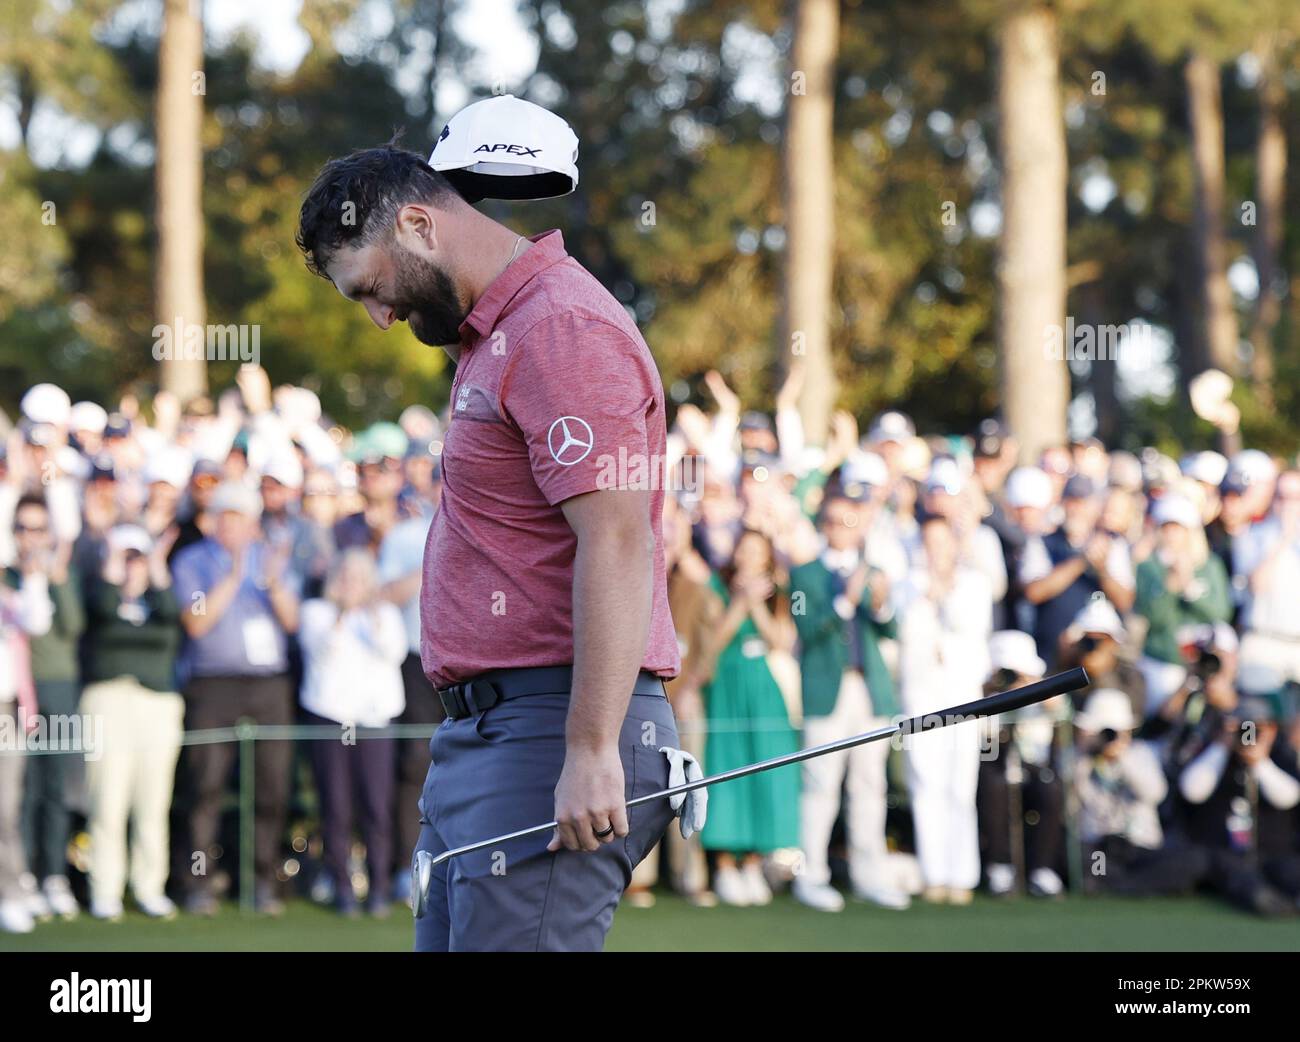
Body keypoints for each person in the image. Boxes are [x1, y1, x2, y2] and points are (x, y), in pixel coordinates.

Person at [297, 121, 681, 952]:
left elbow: (616, 542)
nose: (380, 318)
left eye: (370, 287)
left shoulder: (559, 329)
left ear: (420, 226)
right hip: (494, 735)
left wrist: (587, 747)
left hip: (551, 730)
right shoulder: (499, 334)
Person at [171, 481, 301, 916]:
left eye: (243, 518)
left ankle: (262, 880)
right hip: (213, 684)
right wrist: (232, 574)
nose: (235, 526)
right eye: (227, 517)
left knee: (271, 785)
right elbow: (197, 622)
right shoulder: (193, 561)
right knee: (205, 786)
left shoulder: (271, 561)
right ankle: (197, 884)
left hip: (268, 684)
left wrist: (275, 582)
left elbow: (291, 622)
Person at [788, 482, 907, 912]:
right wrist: (845, 600)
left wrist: (881, 605)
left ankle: (870, 874)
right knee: (820, 783)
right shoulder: (804, 575)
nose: (842, 530)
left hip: (869, 689)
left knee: (870, 785)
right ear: (824, 526)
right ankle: (812, 875)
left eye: (850, 522)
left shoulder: (875, 571)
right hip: (826, 691)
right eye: (835, 522)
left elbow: (891, 630)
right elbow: (804, 627)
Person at [81, 524, 184, 920]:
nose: (132, 567)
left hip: (157, 704)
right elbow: (104, 608)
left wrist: (156, 565)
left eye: (138, 559)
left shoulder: (159, 604)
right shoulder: (102, 596)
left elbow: (173, 613)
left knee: (152, 802)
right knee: (107, 800)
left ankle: (149, 886)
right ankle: (105, 890)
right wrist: (113, 564)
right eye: (126, 559)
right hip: (108, 702)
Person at [299, 549, 407, 917]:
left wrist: (372, 613)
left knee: (377, 806)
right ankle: (342, 887)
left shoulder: (386, 615)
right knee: (336, 807)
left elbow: (391, 652)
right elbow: (322, 652)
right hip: (332, 718)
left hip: (375, 721)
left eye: (359, 577)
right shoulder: (317, 613)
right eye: (345, 576)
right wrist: (344, 612)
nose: (351, 584)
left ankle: (379, 886)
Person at [698, 528, 800, 906]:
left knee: (764, 769)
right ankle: (724, 864)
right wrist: (741, 601)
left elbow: (781, 641)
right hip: (726, 681)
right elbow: (714, 639)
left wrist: (758, 603)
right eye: (746, 548)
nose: (750, 556)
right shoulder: (715, 584)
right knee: (726, 765)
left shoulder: (779, 593)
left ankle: (754, 862)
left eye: (759, 551)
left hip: (763, 685)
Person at [897, 510, 992, 904]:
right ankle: (933, 873)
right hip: (922, 695)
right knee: (927, 784)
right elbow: (906, 632)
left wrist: (944, 595)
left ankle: (962, 876)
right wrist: (928, 595)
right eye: (929, 543)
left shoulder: (974, 584)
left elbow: (971, 631)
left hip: (962, 695)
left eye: (942, 542)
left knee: (960, 786)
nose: (936, 551)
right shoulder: (908, 585)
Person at [6, 495, 83, 919]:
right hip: (17, 697)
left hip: (59, 691)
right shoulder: (7, 577)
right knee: (22, 792)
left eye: (38, 529)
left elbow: (73, 625)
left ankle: (53, 876)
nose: (30, 537)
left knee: (57, 789)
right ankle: (25, 879)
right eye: (23, 528)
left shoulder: (60, 574)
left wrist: (52, 579)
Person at [1074, 688, 1207, 897]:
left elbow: (1155, 793)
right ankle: (1123, 884)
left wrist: (1122, 756)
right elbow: (1069, 801)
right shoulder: (1079, 760)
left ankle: (1122, 884)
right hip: (1100, 847)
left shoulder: (1140, 753)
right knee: (1084, 859)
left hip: (1140, 846)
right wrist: (1084, 753)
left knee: (1189, 861)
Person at [1177, 697, 1300, 916]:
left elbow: (1288, 797)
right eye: (1244, 726)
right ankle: (1262, 899)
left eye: (1256, 727)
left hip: (1273, 853)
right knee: (1237, 875)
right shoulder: (1214, 753)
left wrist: (1260, 762)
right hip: (1225, 854)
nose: (1248, 734)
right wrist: (1221, 746)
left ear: (1271, 729)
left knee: (1291, 871)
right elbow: (1192, 791)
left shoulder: (1282, 756)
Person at [977, 631, 1065, 898]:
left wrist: (1031, 688)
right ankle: (1000, 866)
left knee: (1050, 790)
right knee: (994, 786)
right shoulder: (982, 694)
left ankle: (1042, 869)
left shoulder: (1040, 691)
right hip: (996, 765)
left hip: (1034, 769)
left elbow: (1061, 712)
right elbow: (985, 740)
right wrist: (994, 692)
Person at [1133, 494, 1232, 716]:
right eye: (1166, 528)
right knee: (1158, 720)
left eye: (1178, 528)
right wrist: (1170, 587)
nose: (1172, 535)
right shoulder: (1148, 567)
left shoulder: (1210, 565)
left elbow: (1220, 613)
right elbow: (1153, 617)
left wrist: (1190, 588)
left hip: (1200, 665)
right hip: (1161, 661)